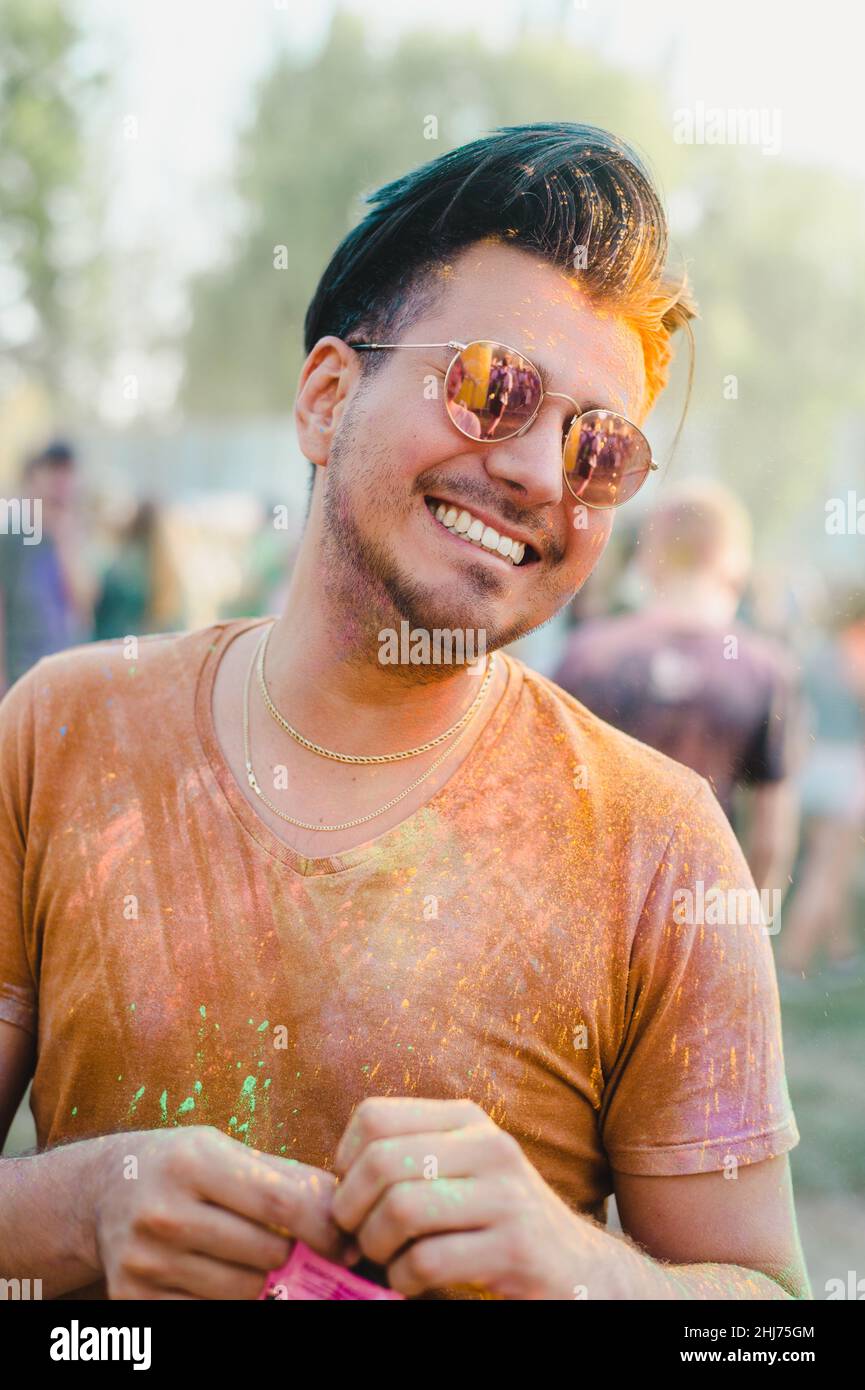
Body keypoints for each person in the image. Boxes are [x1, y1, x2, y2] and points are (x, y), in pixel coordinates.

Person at [0, 123, 808, 1301]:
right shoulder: (65, 732)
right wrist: (83, 1207)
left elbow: (771, 1316)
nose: (542, 472)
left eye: (600, 448)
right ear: (328, 396)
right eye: (493, 389)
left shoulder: (658, 842)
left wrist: (577, 1268)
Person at [554, 479, 803, 896]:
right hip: (699, 922)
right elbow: (770, 838)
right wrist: (751, 933)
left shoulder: (588, 654)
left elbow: (550, 803)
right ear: (736, 564)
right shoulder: (765, 670)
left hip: (594, 911)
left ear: (650, 558)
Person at [0, 440, 95, 696]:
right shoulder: (11, 534)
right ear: (35, 477)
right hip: (19, 678)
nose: (61, 483)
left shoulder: (74, 534)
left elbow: (84, 610)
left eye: (67, 473)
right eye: (54, 472)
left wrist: (67, 546)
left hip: (62, 677)